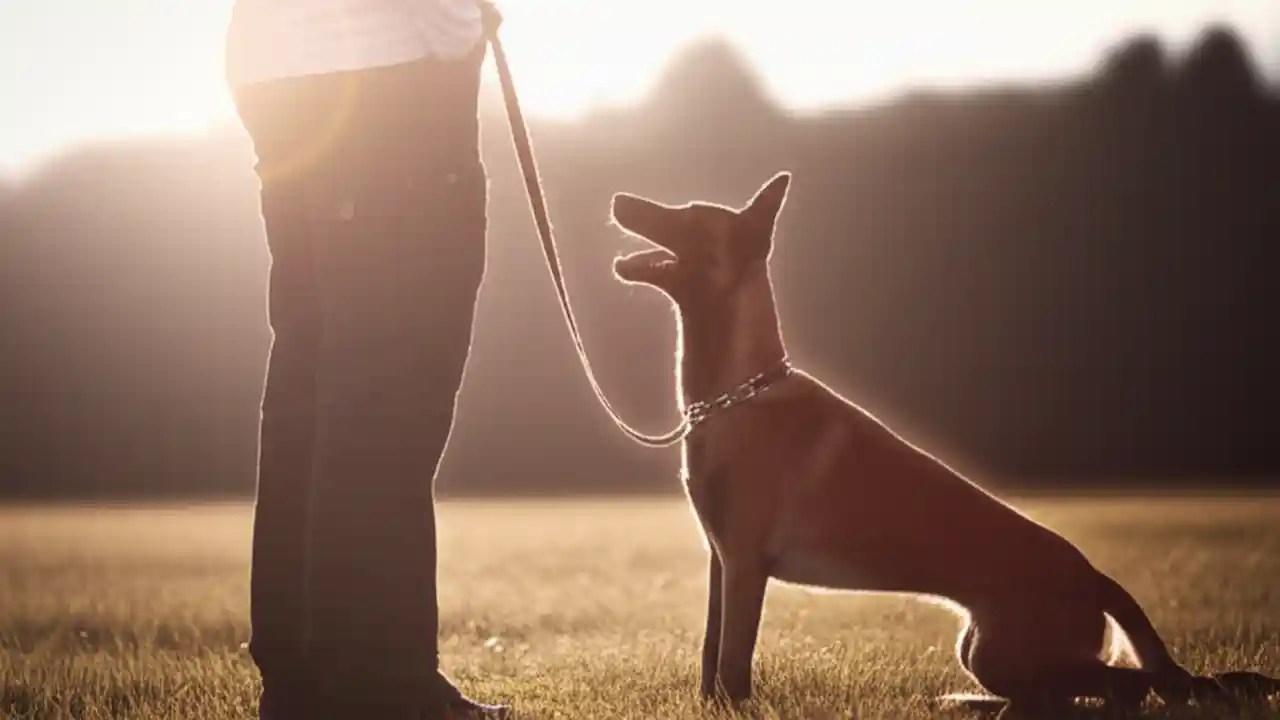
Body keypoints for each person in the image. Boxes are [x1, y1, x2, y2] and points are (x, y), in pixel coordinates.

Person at [225, 1, 508, 718]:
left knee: (312, 391)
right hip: (385, 79)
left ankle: (302, 684)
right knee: (383, 392)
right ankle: (378, 684)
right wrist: (460, 30)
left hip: (275, 68)